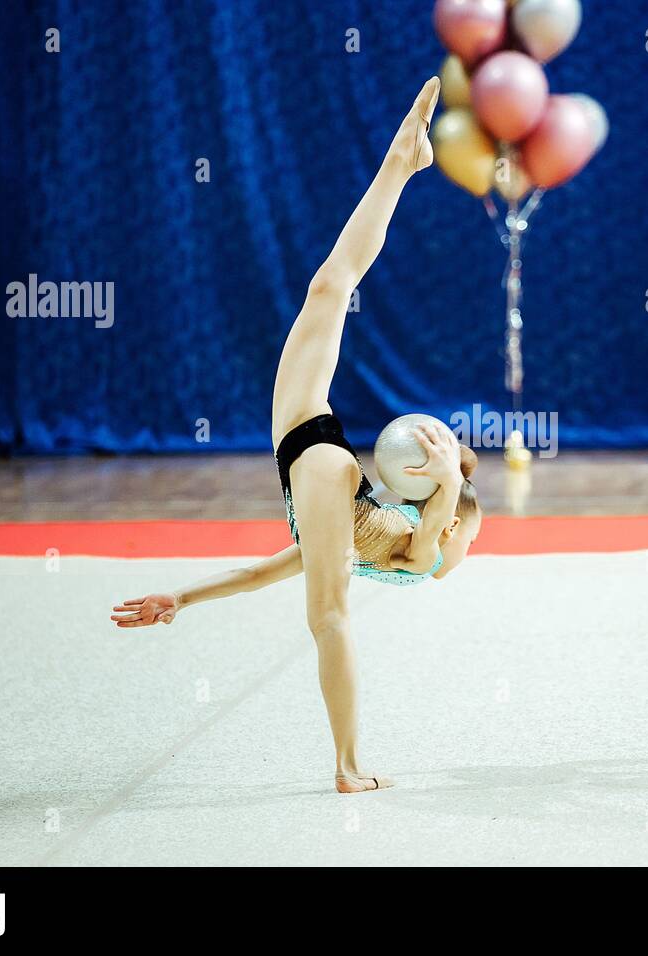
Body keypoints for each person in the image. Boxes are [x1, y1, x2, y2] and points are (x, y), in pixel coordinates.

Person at [109, 77, 483, 794]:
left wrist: (180, 599)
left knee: (328, 287)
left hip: (305, 451)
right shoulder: (423, 540)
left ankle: (347, 761)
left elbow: (255, 574)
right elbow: (440, 527)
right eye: (475, 532)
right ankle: (400, 165)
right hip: (327, 467)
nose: (472, 542)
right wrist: (447, 480)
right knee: (329, 615)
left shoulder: (409, 562)